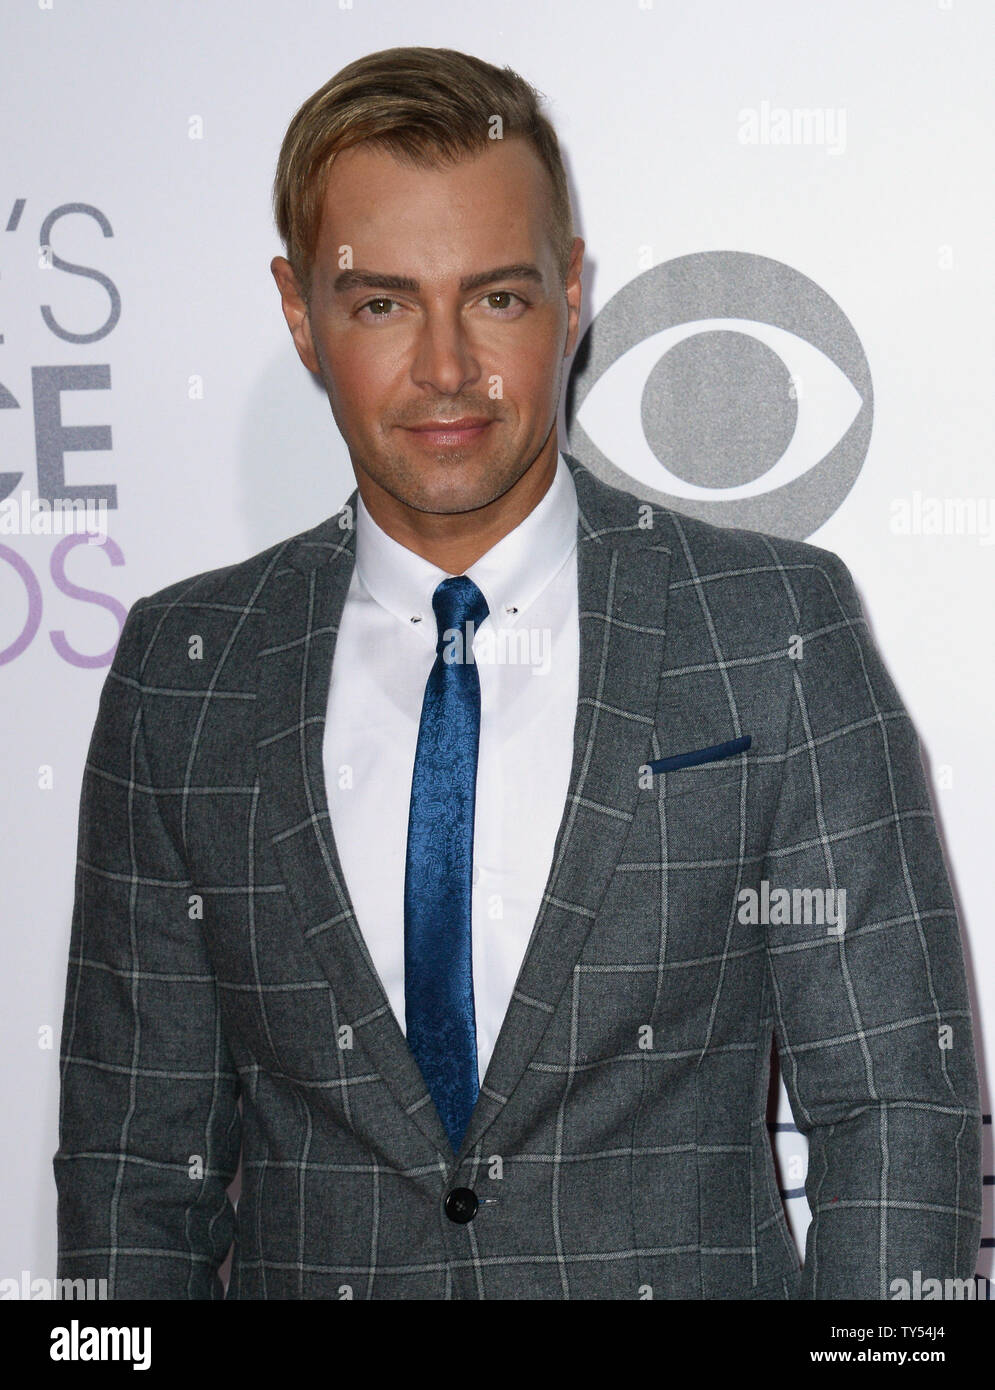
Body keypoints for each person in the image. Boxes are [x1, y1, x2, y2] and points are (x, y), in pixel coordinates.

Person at [54, 45, 982, 1300]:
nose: (445, 367)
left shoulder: (772, 627)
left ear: (570, 293)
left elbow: (895, 1112)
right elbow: (133, 1181)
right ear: (297, 312)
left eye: (494, 297)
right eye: (381, 302)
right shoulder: (187, 672)